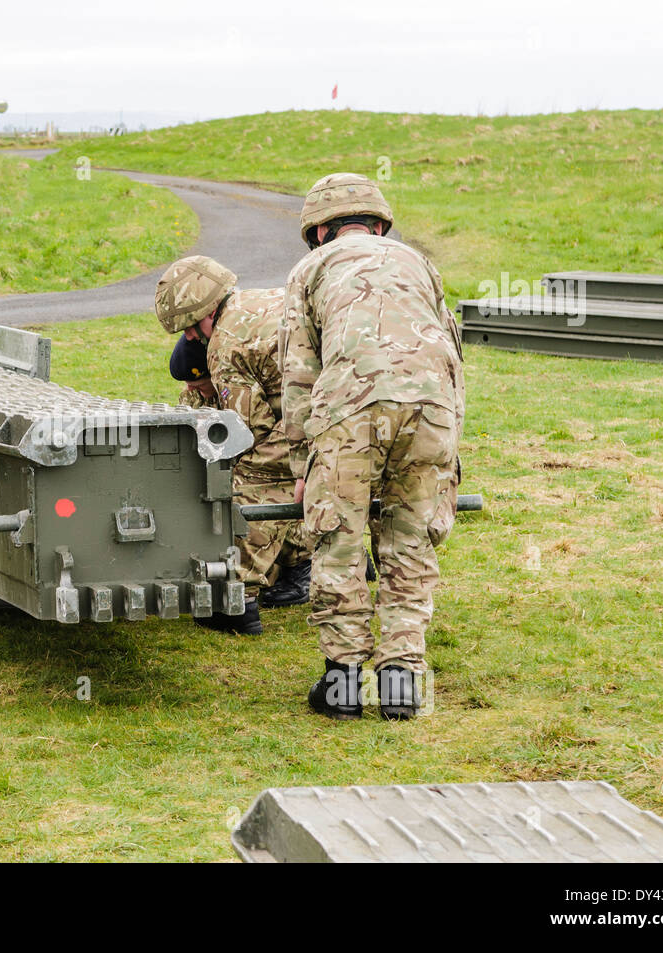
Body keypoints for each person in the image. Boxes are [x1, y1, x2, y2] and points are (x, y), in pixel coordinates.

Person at [280, 173, 464, 721]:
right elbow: (451, 350)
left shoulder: (309, 270)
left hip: (349, 409)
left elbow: (298, 375)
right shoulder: (419, 262)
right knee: (411, 539)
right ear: (380, 224)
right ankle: (402, 682)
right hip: (432, 409)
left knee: (337, 536)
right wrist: (449, 451)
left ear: (319, 232)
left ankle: (341, 685)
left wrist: (299, 463)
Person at [156, 257, 312, 635]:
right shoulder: (261, 300)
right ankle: (300, 569)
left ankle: (235, 598)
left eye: (190, 329)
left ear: (206, 311)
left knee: (252, 477)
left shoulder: (225, 343)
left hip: (318, 414)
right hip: (356, 403)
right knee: (291, 473)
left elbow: (248, 430)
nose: (190, 338)